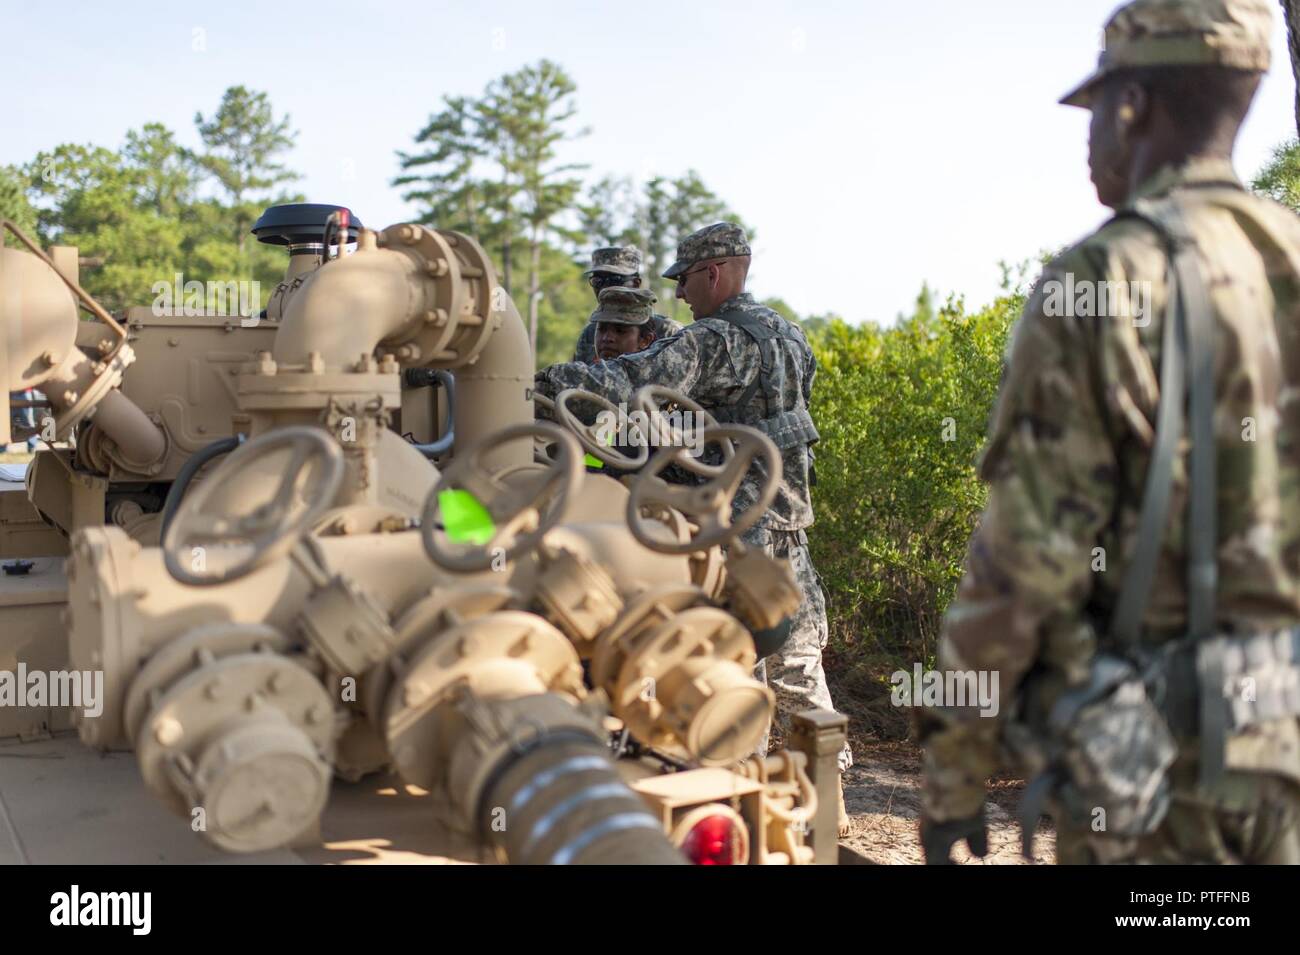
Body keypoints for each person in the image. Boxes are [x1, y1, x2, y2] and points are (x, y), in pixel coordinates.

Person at [919, 0, 1300, 865]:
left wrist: (953, 771)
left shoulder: (1104, 280)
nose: (1090, 137)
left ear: (1132, 108)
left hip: (1157, 783)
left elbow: (1019, 572)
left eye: (1094, 111)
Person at [536, 222, 852, 833]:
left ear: (713, 273)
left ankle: (736, 812)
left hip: (730, 541)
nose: (680, 295)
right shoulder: (789, 333)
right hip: (788, 531)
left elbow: (633, 382)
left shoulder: (713, 340)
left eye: (683, 280)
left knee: (727, 676)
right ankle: (826, 814)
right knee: (803, 677)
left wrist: (540, 383)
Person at [574, 246, 683, 363]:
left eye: (615, 280)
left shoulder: (670, 332)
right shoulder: (590, 334)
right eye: (597, 281)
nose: (605, 288)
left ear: (636, 283)